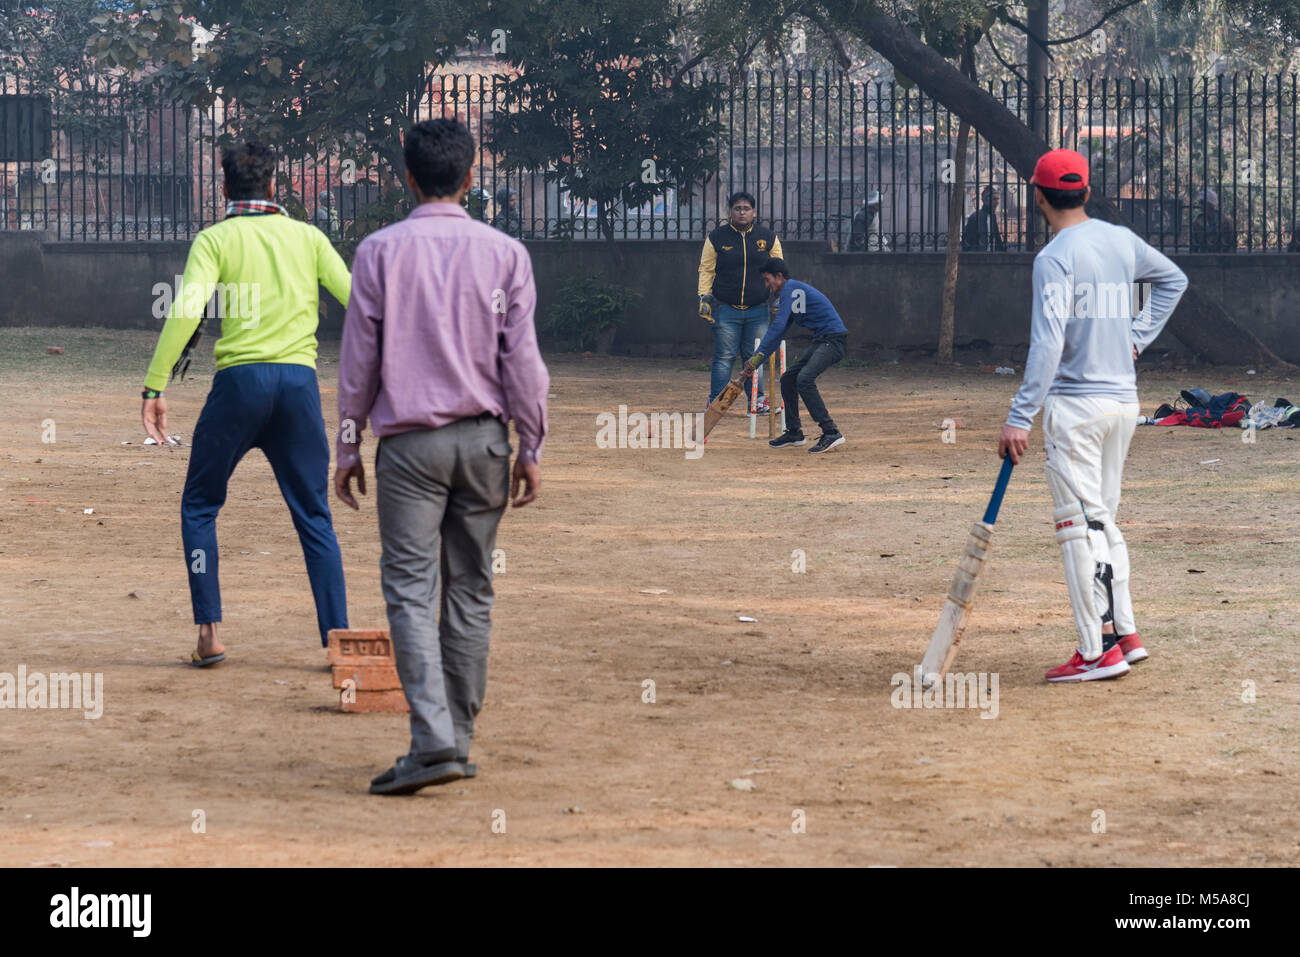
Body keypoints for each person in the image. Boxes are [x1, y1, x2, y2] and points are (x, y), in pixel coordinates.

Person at [335, 118, 549, 796]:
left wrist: (347, 444)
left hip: (409, 447)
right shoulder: (505, 253)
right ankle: (454, 734)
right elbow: (524, 364)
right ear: (471, 175)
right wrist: (531, 443)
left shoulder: (377, 251)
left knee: (409, 589)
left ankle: (432, 739)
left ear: (407, 176)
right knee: (471, 587)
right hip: (485, 441)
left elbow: (358, 362)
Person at [140, 142, 353, 667]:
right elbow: (362, 301)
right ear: (275, 187)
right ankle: (338, 641)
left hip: (238, 386)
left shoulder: (215, 240)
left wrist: (154, 385)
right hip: (299, 388)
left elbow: (187, 310)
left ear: (225, 189)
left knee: (199, 505)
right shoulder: (308, 237)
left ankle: (210, 633)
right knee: (315, 517)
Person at [999, 148, 1188, 683]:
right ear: (1085, 193)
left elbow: (1048, 341)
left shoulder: (1054, 256)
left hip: (1076, 410)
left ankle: (1094, 651)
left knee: (1077, 530)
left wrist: (1019, 416)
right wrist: (1136, 337)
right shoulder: (1120, 240)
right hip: (1122, 406)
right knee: (1102, 519)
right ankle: (1123, 634)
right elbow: (1173, 279)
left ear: (1038, 196)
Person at [744, 258, 849, 454]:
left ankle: (831, 431)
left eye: (768, 280)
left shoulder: (790, 290)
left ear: (779, 276)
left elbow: (776, 328)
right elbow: (778, 334)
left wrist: (756, 357)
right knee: (788, 379)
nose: (767, 286)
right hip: (822, 340)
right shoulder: (791, 293)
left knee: (805, 379)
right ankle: (794, 432)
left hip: (833, 341)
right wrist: (757, 362)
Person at [698, 190, 785, 412]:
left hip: (758, 309)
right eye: (737, 208)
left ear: (754, 212)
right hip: (726, 308)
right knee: (725, 357)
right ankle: (716, 403)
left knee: (755, 358)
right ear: (731, 212)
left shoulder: (768, 237)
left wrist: (780, 295)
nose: (742, 212)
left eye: (746, 208)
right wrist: (704, 297)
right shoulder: (717, 237)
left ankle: (755, 401)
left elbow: (779, 269)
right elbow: (706, 269)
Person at [1189, 187, 1237, 252]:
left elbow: (1231, 243)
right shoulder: (1197, 223)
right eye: (1200, 203)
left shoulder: (1225, 222)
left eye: (1203, 203)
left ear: (1211, 204)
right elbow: (1194, 245)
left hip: (1222, 258)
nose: (1201, 206)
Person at [962, 186, 1006, 251]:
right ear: (986, 201)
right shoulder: (975, 216)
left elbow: (996, 236)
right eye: (994, 199)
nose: (997, 202)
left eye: (997, 199)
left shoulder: (993, 216)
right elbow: (967, 239)